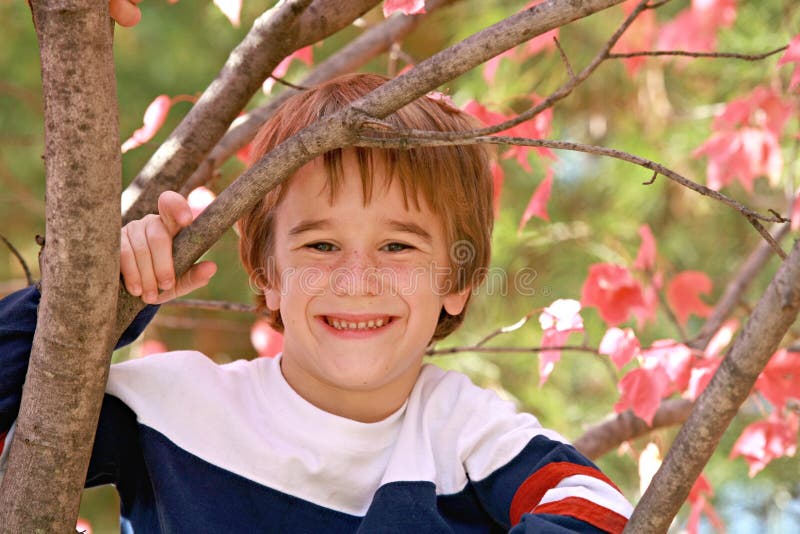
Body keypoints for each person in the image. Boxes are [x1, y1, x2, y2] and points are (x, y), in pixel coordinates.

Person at [0, 74, 632, 532]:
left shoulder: (466, 433)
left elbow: (601, 513)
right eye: (323, 244)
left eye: (397, 246)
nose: (356, 280)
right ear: (266, 272)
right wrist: (97, 300)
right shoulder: (175, 409)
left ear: (458, 279)